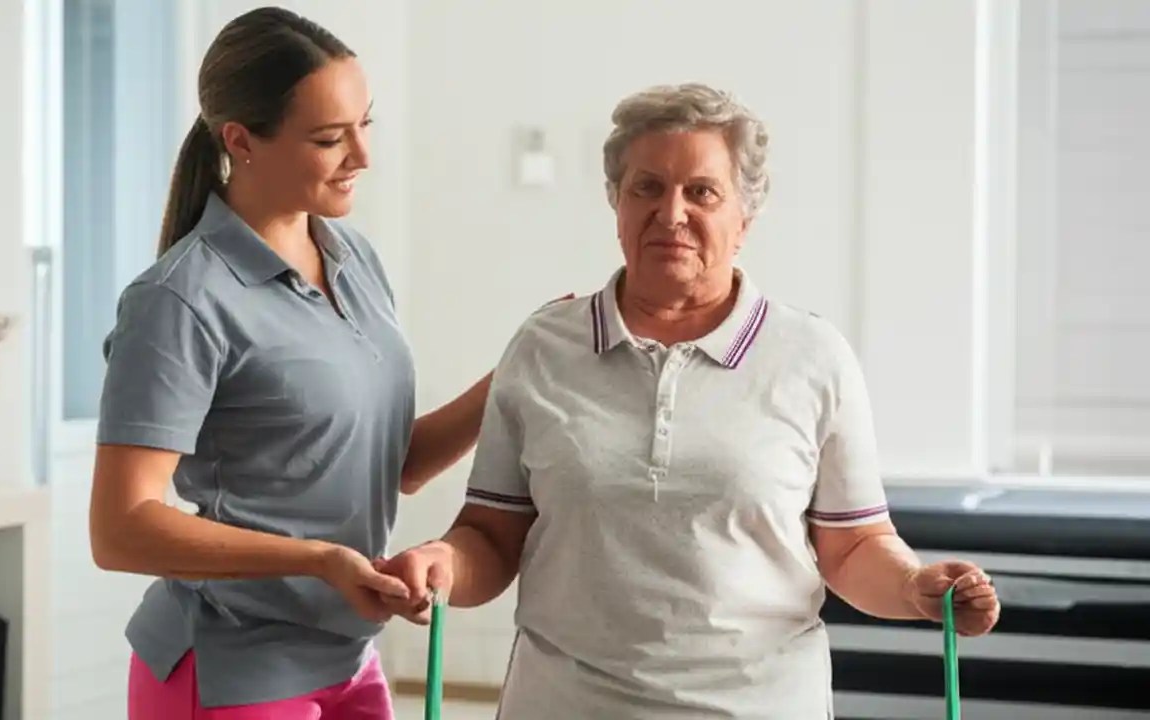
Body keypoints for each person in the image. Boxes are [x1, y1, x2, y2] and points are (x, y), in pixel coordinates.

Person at [378, 83, 1002, 719]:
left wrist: (915, 587)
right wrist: (442, 563)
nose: (670, 212)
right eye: (646, 187)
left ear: (744, 219)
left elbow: (853, 546)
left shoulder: (813, 357)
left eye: (701, 192)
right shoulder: (543, 346)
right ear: (616, 204)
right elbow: (491, 537)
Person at [88, 8, 495, 719]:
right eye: (330, 138)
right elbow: (120, 529)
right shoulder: (179, 300)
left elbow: (383, 462)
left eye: (366, 124)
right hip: (231, 668)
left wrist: (514, 378)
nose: (362, 155)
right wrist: (317, 559)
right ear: (241, 141)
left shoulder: (353, 259)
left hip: (349, 659)